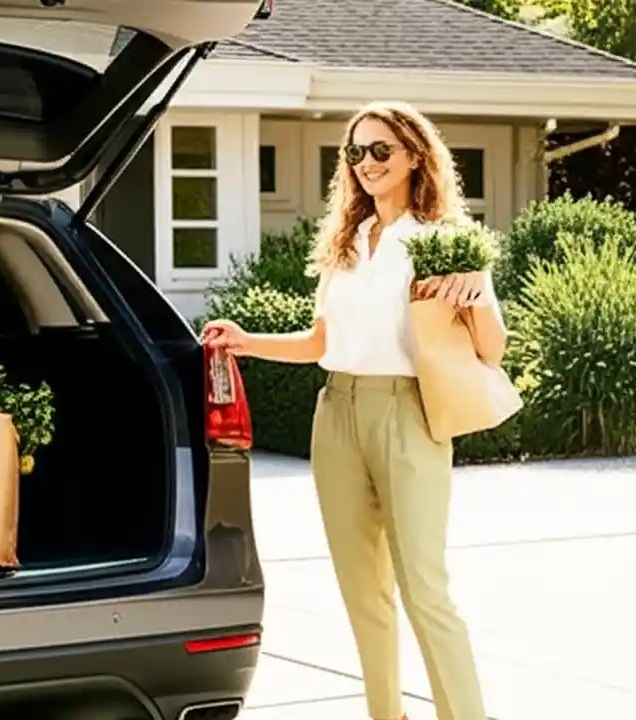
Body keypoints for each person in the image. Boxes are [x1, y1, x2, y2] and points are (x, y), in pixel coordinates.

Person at [201, 100, 506, 720]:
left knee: (424, 589)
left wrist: (475, 292)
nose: (366, 163)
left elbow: (491, 348)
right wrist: (246, 340)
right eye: (355, 152)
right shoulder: (348, 240)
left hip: (409, 415)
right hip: (335, 414)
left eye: (381, 150)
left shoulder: (441, 238)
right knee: (363, 595)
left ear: (415, 156)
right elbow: (321, 342)